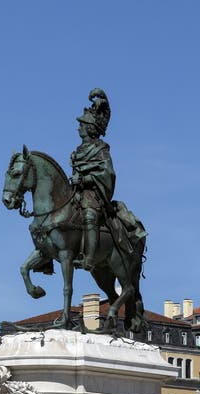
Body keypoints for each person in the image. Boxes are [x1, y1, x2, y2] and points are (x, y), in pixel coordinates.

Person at [70, 89, 115, 271]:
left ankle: (89, 258)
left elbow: (107, 173)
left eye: (82, 125)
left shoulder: (100, 149)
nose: (78, 127)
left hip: (93, 194)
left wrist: (84, 179)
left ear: (89, 128)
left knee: (89, 215)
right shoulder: (78, 150)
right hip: (76, 192)